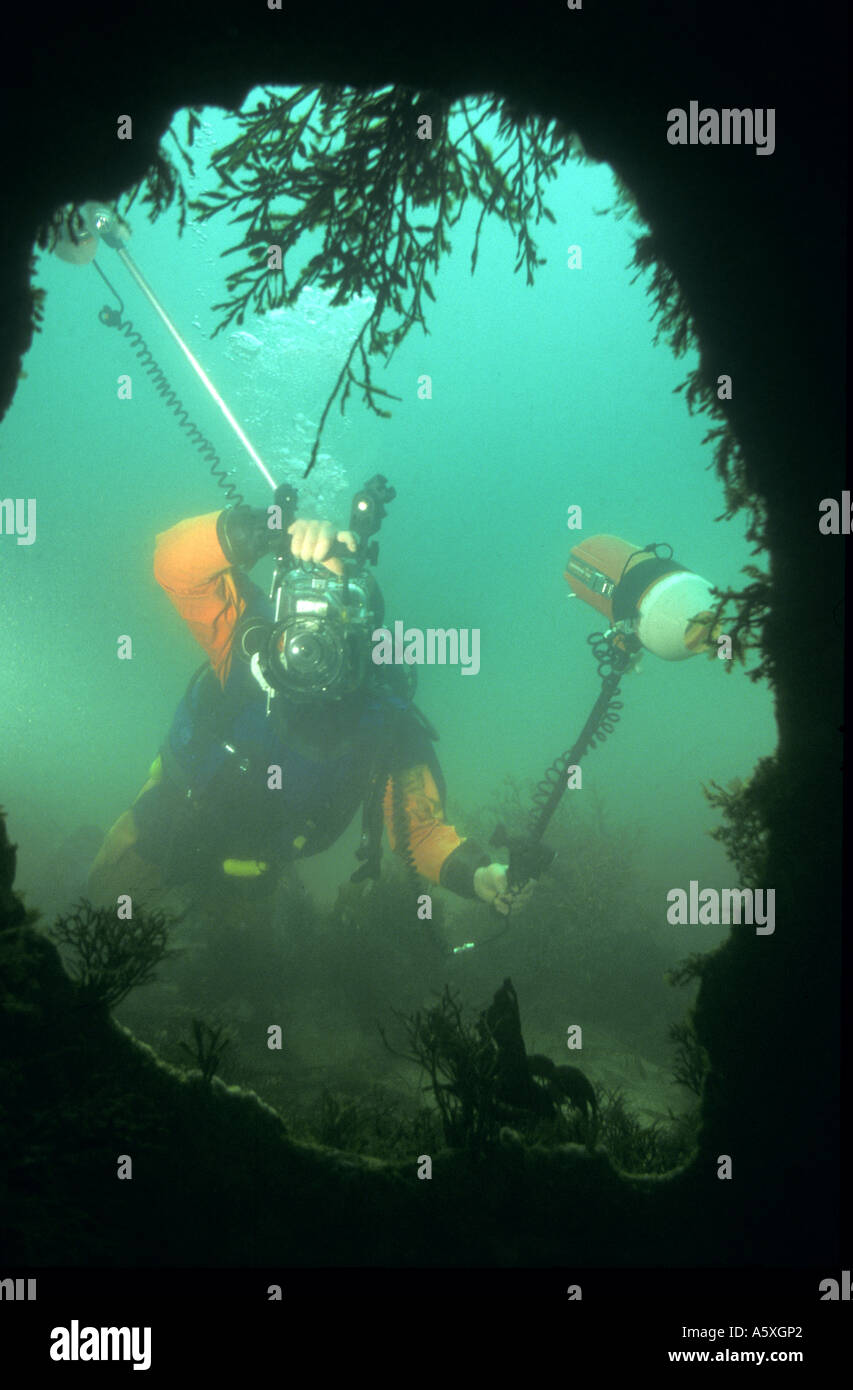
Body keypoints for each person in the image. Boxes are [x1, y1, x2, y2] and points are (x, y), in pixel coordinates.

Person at [87, 500, 525, 920]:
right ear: (284, 603)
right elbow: (173, 565)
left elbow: (420, 831)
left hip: (255, 877)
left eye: (338, 609)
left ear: (365, 626)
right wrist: (264, 529)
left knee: (233, 964)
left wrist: (477, 875)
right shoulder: (247, 633)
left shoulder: (385, 718)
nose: (316, 632)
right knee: (93, 920)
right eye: (306, 602)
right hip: (159, 830)